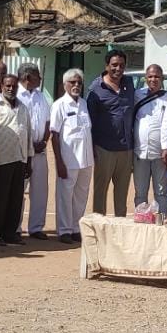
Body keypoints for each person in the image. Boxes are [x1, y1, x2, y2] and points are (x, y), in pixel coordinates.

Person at [87, 49, 135, 216]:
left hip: (126, 149)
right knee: (100, 192)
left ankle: (119, 226)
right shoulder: (96, 89)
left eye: (121, 65)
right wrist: (92, 147)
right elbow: (90, 121)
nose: (118, 68)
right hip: (104, 149)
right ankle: (98, 226)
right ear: (107, 66)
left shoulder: (129, 83)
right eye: (114, 65)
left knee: (122, 195)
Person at [51, 68, 94, 243]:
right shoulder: (59, 105)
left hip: (86, 159)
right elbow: (54, 135)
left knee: (81, 196)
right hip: (68, 159)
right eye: (72, 82)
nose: (76, 85)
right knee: (65, 196)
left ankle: (76, 228)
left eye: (79, 82)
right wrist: (59, 162)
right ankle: (64, 230)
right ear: (65, 85)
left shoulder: (84, 104)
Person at [0, 73, 32, 245]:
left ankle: (10, 232)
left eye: (14, 86)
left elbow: (28, 134)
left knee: (16, 199)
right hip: (2, 159)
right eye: (7, 85)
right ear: (2, 86)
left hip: (20, 158)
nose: (11, 89)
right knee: (0, 199)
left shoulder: (23, 108)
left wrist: (29, 161)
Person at [18, 64, 51, 239]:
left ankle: (36, 227)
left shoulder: (41, 96)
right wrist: (30, 144)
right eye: (38, 76)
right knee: (18, 190)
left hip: (40, 151)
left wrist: (44, 141)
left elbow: (48, 122)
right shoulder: (16, 95)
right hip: (21, 152)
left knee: (40, 192)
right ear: (28, 77)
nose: (41, 79)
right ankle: (15, 227)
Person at [132, 64, 167, 215]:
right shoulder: (137, 95)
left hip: (160, 153)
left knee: (161, 192)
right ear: (145, 78)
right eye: (150, 76)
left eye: (157, 76)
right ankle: (141, 220)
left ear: (162, 78)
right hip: (140, 152)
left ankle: (161, 220)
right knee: (140, 192)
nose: (153, 79)